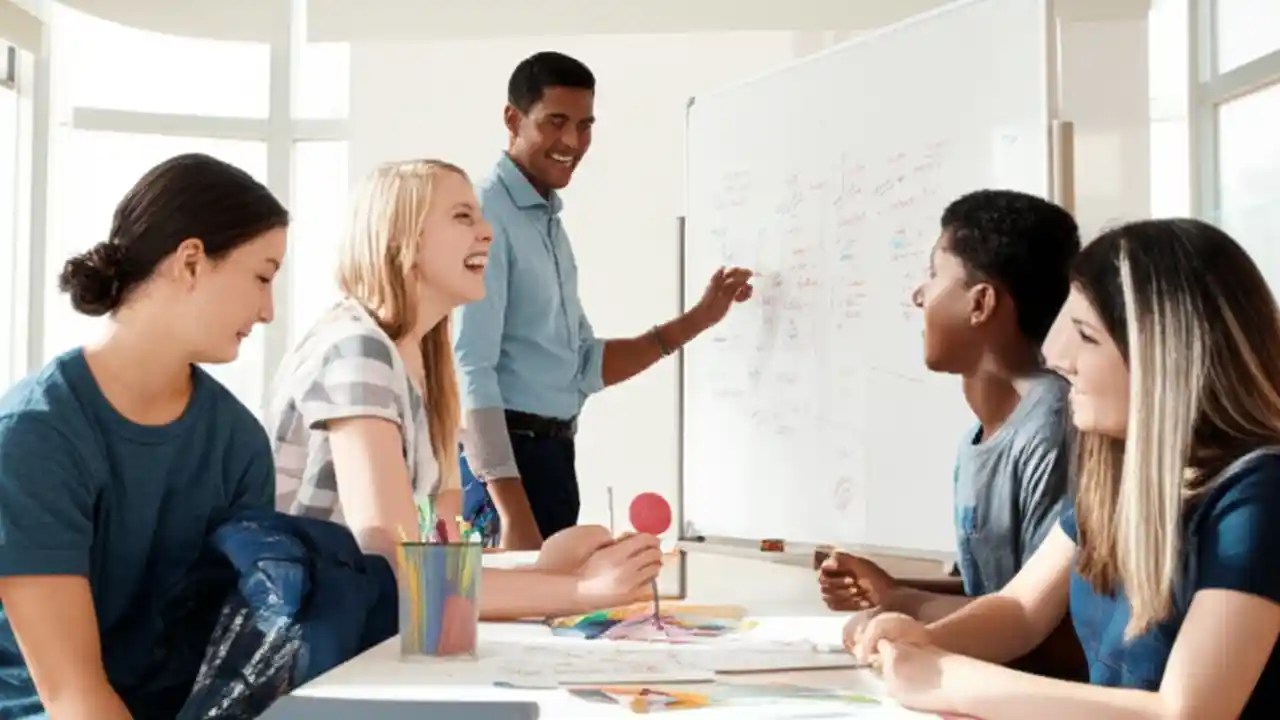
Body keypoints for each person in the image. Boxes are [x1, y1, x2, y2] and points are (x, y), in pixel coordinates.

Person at [849, 218, 1280, 719]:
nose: (1056, 356)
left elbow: (1186, 712)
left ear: (1165, 361)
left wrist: (948, 680)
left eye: (1086, 337)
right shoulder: (1118, 475)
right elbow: (1019, 612)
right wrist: (922, 642)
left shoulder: (1259, 496)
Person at [267, 158, 662, 621]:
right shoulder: (357, 351)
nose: (488, 232)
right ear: (402, 240)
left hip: (366, 642)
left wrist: (545, 567)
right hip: (318, 657)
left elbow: (440, 559)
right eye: (462, 216)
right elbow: (400, 575)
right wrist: (579, 588)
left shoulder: (424, 365)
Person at [0, 154, 288, 719]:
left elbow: (235, 660)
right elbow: (71, 696)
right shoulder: (34, 439)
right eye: (262, 276)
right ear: (191, 262)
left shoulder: (238, 443)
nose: (268, 310)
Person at [452, 50, 754, 549]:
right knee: (509, 625)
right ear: (513, 119)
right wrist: (511, 509)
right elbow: (472, 368)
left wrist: (700, 319)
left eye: (585, 125)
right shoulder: (486, 214)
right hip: (504, 474)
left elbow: (584, 366)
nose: (572, 142)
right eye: (555, 122)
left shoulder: (546, 222)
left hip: (552, 462)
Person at [820, 190, 1080, 630]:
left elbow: (1049, 626)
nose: (919, 295)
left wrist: (901, 603)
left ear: (980, 303)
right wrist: (889, 589)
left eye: (934, 273)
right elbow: (997, 597)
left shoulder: (1052, 427)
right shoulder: (978, 439)